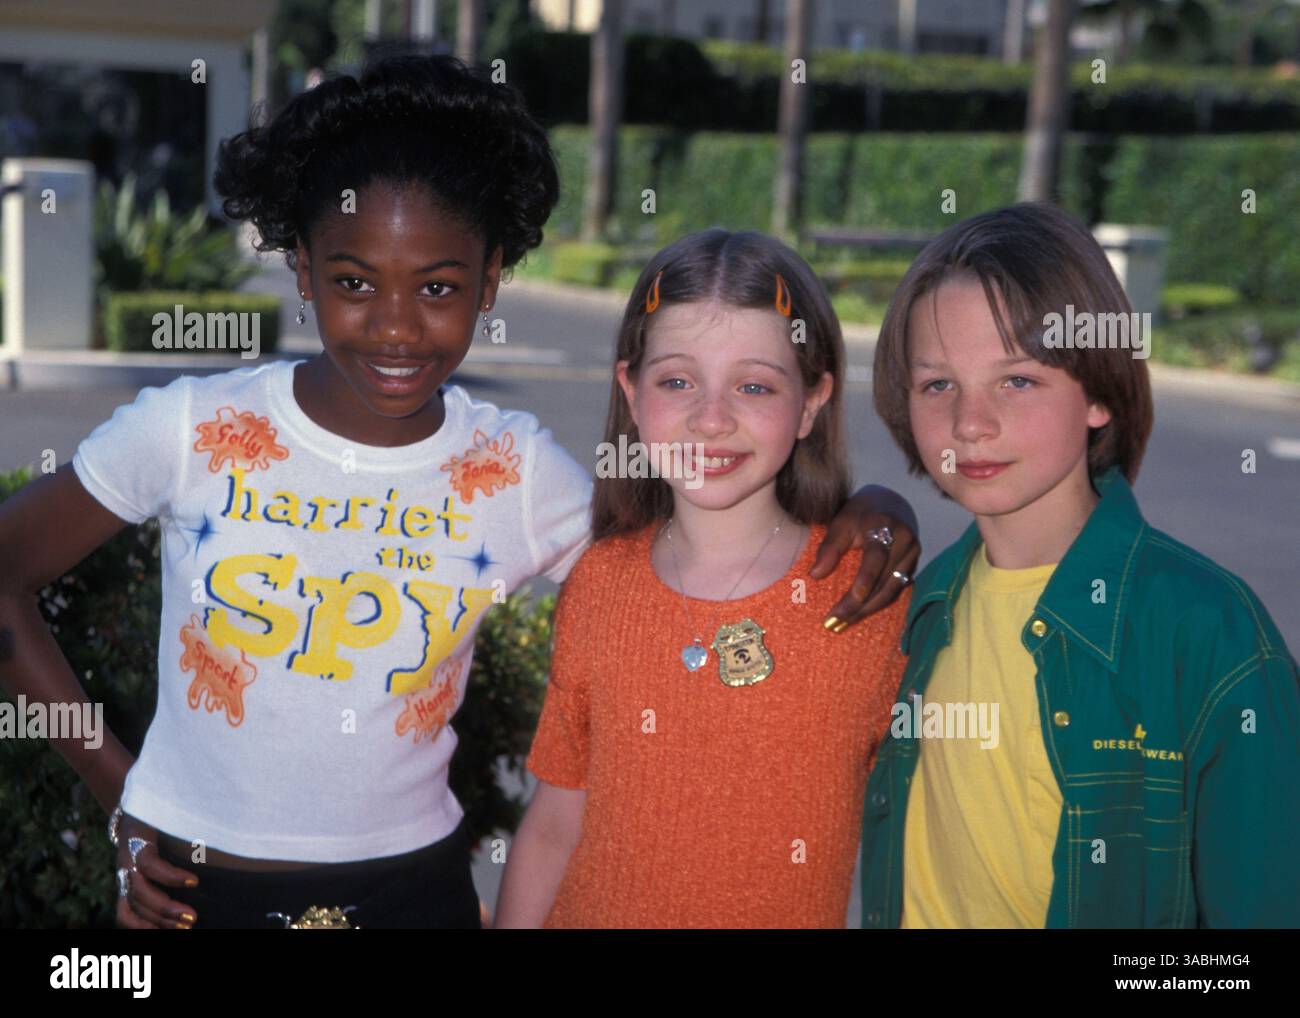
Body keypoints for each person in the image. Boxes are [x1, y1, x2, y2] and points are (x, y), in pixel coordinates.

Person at [0, 56, 918, 930]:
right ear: (302, 271)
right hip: (190, 896)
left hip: (418, 899)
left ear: (490, 283)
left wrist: (873, 505)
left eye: (438, 286)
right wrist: (124, 794)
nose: (396, 326)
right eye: (354, 282)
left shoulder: (515, 472)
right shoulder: (190, 429)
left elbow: (688, 541)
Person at [859, 201, 1300, 929]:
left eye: (1018, 381)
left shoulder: (1208, 633)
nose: (971, 423)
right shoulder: (911, 610)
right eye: (940, 385)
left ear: (1098, 392)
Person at [495, 229, 914, 929]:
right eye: (678, 381)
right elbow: (556, 818)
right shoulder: (600, 584)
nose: (711, 418)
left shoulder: (866, 600)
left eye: (753, 385)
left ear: (813, 400)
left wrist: (892, 508)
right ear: (631, 391)